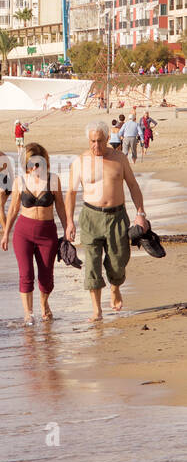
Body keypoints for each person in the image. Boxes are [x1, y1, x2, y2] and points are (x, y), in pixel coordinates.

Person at [65, 121, 150, 322]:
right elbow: (70, 193)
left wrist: (141, 213)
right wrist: (69, 222)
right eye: (92, 141)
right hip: (90, 217)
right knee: (92, 264)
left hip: (117, 217)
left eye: (100, 141)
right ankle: (96, 310)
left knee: (118, 260)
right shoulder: (80, 161)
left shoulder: (119, 158)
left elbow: (133, 185)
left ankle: (115, 286)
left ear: (107, 139)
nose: (96, 146)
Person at [1, 142, 68, 326]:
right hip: (23, 233)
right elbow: (14, 208)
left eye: (39, 164)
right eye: (32, 164)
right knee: (26, 273)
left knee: (46, 276)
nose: (35, 167)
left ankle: (44, 304)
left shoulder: (53, 180)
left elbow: (60, 207)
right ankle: (28, 313)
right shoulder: (20, 181)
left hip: (47, 233)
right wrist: (6, 233)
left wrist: (68, 227)